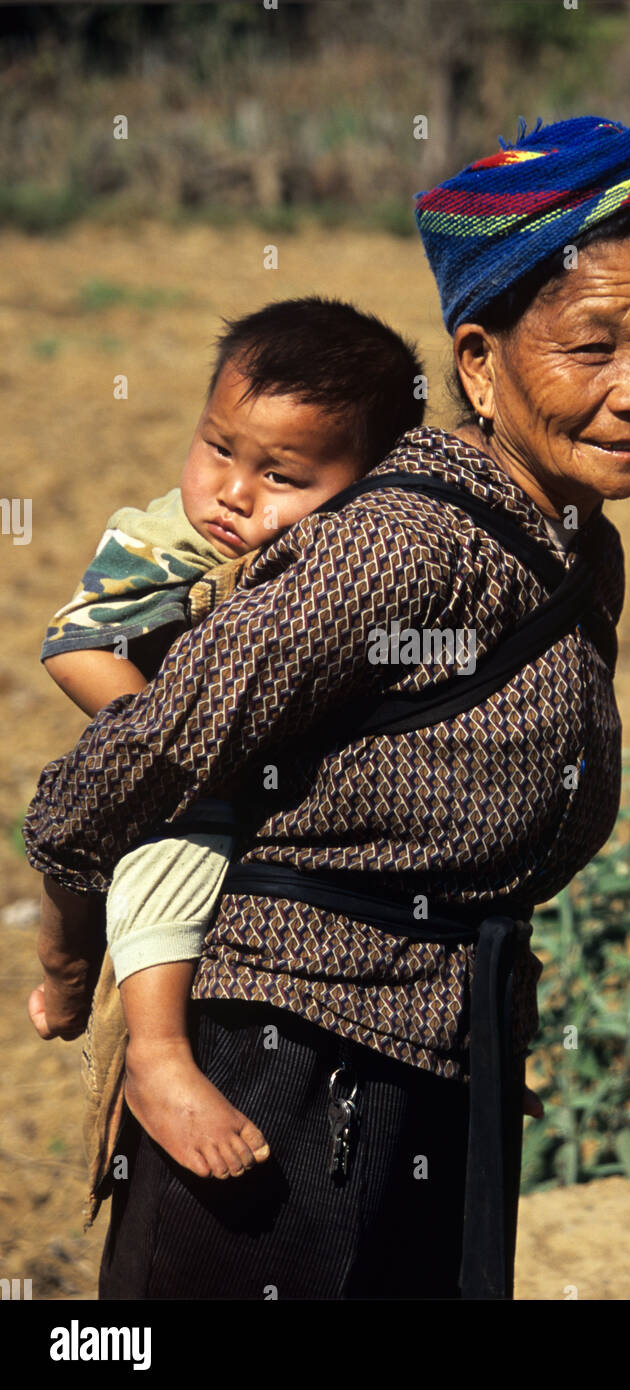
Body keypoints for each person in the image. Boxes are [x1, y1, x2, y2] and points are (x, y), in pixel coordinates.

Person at [23, 114, 630, 1301]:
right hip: (286, 1074)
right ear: (481, 362)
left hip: (443, 1060)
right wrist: (77, 944)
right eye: (591, 345)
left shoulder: (577, 553)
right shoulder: (398, 540)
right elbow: (134, 757)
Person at [28, 297, 426, 1198]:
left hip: (255, 787)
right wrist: (168, 740)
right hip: (169, 780)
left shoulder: (346, 563)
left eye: (281, 475)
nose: (234, 493)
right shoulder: (167, 539)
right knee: (175, 859)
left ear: (367, 488)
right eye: (218, 449)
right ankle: (155, 1054)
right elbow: (74, 643)